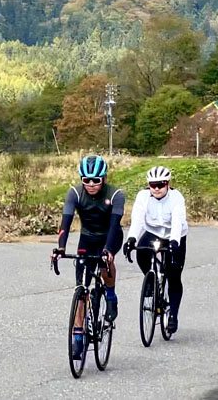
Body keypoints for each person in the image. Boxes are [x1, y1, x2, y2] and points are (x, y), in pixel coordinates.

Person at [51, 154, 126, 360]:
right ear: (81, 179)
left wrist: (108, 251)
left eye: (96, 180)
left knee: (105, 264)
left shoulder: (116, 194)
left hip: (109, 236)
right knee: (81, 288)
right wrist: (60, 248)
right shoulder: (74, 193)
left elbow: (114, 225)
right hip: (87, 238)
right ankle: (77, 336)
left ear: (104, 178)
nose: (91, 185)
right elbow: (66, 221)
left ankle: (110, 295)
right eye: (87, 180)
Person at [123, 166, 188, 334]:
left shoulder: (176, 197)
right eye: (153, 185)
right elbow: (137, 219)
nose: (157, 188)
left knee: (174, 274)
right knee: (141, 253)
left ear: (168, 184)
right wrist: (131, 239)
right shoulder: (143, 197)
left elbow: (177, 221)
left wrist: (174, 241)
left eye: (161, 184)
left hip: (175, 234)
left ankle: (172, 314)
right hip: (153, 231)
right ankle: (151, 281)